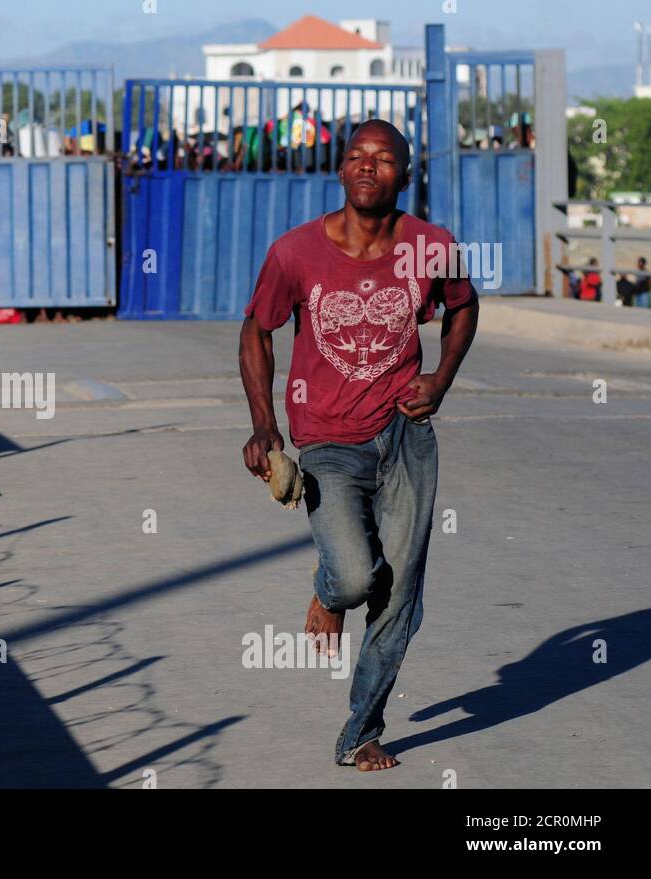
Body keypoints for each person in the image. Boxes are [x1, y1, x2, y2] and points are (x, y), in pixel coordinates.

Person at [239, 119, 479, 772]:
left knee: (399, 594)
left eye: (384, 158)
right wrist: (265, 424)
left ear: (406, 172)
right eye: (356, 157)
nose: (368, 167)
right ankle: (328, 592)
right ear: (340, 171)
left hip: (407, 436)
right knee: (352, 576)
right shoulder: (295, 252)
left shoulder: (431, 246)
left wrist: (439, 379)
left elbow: (463, 304)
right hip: (327, 443)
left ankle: (360, 731)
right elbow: (257, 330)